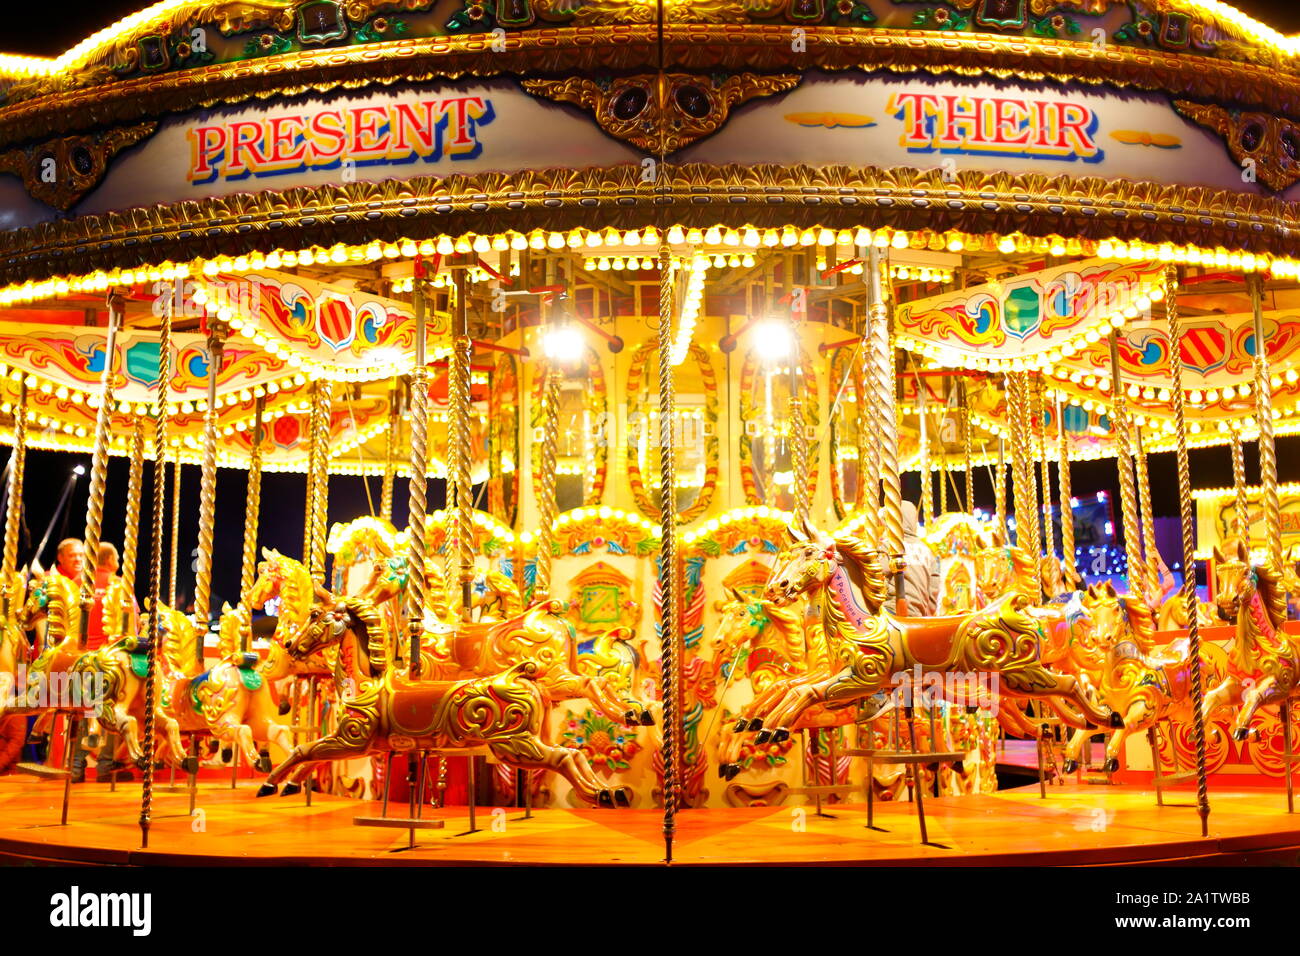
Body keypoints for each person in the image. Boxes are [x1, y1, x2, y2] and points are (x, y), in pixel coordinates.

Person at [70, 542, 134, 784]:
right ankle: (105, 766)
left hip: (79, 658)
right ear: (111, 560)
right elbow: (131, 625)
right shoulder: (118, 586)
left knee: (86, 711)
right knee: (108, 712)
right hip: (108, 658)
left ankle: (76, 766)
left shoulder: (78, 582)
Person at [897, 499, 940, 617]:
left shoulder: (890, 546)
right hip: (920, 613)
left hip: (894, 612)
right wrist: (927, 613)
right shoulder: (927, 550)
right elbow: (934, 586)